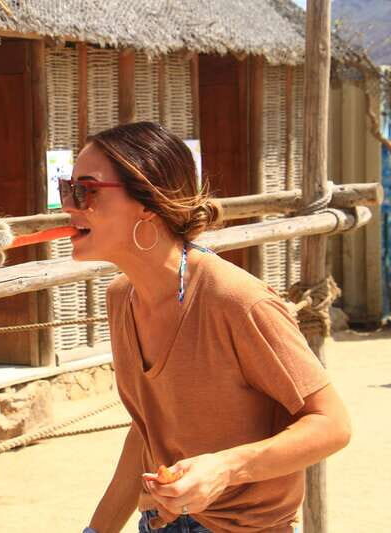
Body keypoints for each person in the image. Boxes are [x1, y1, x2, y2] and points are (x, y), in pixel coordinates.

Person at [63, 122, 351, 533]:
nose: (68, 207)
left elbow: (332, 424)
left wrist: (226, 468)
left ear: (147, 201)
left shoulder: (238, 301)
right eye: (65, 189)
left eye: (85, 191)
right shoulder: (122, 296)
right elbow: (147, 429)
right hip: (159, 523)